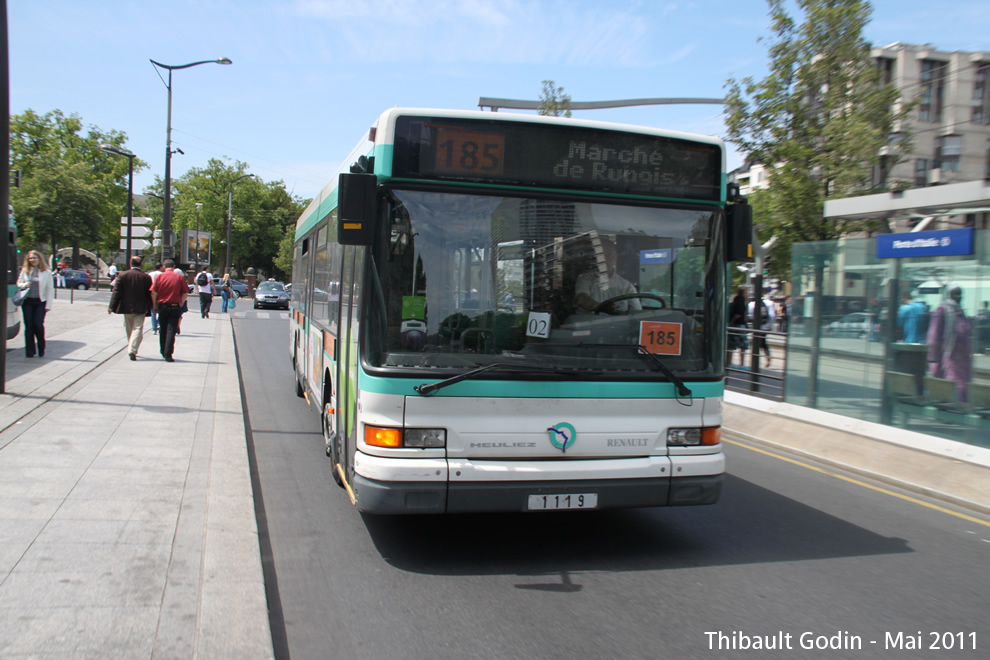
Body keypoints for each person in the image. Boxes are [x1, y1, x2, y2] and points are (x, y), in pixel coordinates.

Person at [927, 285, 972, 402]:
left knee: (961, 382)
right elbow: (934, 333)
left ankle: (959, 406)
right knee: (952, 381)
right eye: (956, 294)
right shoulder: (943, 310)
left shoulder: (960, 311)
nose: (959, 297)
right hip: (949, 355)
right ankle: (951, 407)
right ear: (950, 295)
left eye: (960, 294)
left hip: (963, 357)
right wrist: (933, 356)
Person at [573, 237, 641, 314]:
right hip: (587, 324)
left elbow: (637, 313)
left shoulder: (626, 286)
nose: (604, 259)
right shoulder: (585, 278)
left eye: (609, 254)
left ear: (616, 258)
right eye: (600, 254)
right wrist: (601, 307)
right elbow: (581, 299)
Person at [108, 255, 153, 361]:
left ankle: (131, 346)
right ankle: (132, 349)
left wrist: (112, 306)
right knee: (138, 328)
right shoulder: (146, 277)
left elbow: (117, 292)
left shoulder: (123, 275)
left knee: (129, 328)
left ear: (130, 263)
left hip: (127, 306)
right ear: (140, 264)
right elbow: (149, 293)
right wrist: (151, 306)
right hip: (141, 306)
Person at [16, 250, 55, 358]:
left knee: (37, 324)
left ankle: (41, 348)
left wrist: (48, 305)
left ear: (39, 259)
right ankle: (30, 351)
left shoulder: (46, 272)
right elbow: (18, 283)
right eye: (30, 258)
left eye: (34, 258)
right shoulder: (25, 270)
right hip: (27, 301)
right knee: (29, 326)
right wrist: (24, 284)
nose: (32, 260)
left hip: (40, 302)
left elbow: (50, 289)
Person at [150, 259, 188, 362]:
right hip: (175, 306)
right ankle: (168, 353)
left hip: (163, 306)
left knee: (163, 329)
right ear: (174, 266)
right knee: (171, 329)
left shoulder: (160, 277)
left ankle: (163, 350)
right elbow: (185, 292)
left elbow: (153, 292)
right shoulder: (179, 277)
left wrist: (154, 305)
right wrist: (181, 302)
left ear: (163, 266)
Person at [748, 290, 775, 367]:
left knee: (756, 343)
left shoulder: (751, 304)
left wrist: (754, 323)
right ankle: (767, 357)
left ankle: (754, 360)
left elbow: (750, 316)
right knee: (763, 342)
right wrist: (770, 326)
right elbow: (772, 315)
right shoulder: (769, 303)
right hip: (765, 327)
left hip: (756, 327)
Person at [728, 287, 748, 366]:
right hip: (740, 325)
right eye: (747, 292)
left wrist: (731, 322)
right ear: (743, 293)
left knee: (731, 345)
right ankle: (741, 364)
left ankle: (729, 362)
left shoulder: (735, 300)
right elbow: (738, 314)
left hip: (733, 326)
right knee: (743, 346)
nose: (748, 294)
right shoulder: (741, 301)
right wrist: (733, 320)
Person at [148, 262, 164, 334]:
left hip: (152, 293)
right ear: (160, 267)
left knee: (153, 312)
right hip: (160, 293)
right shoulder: (162, 274)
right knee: (161, 312)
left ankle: (154, 329)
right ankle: (159, 324)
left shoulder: (150, 274)